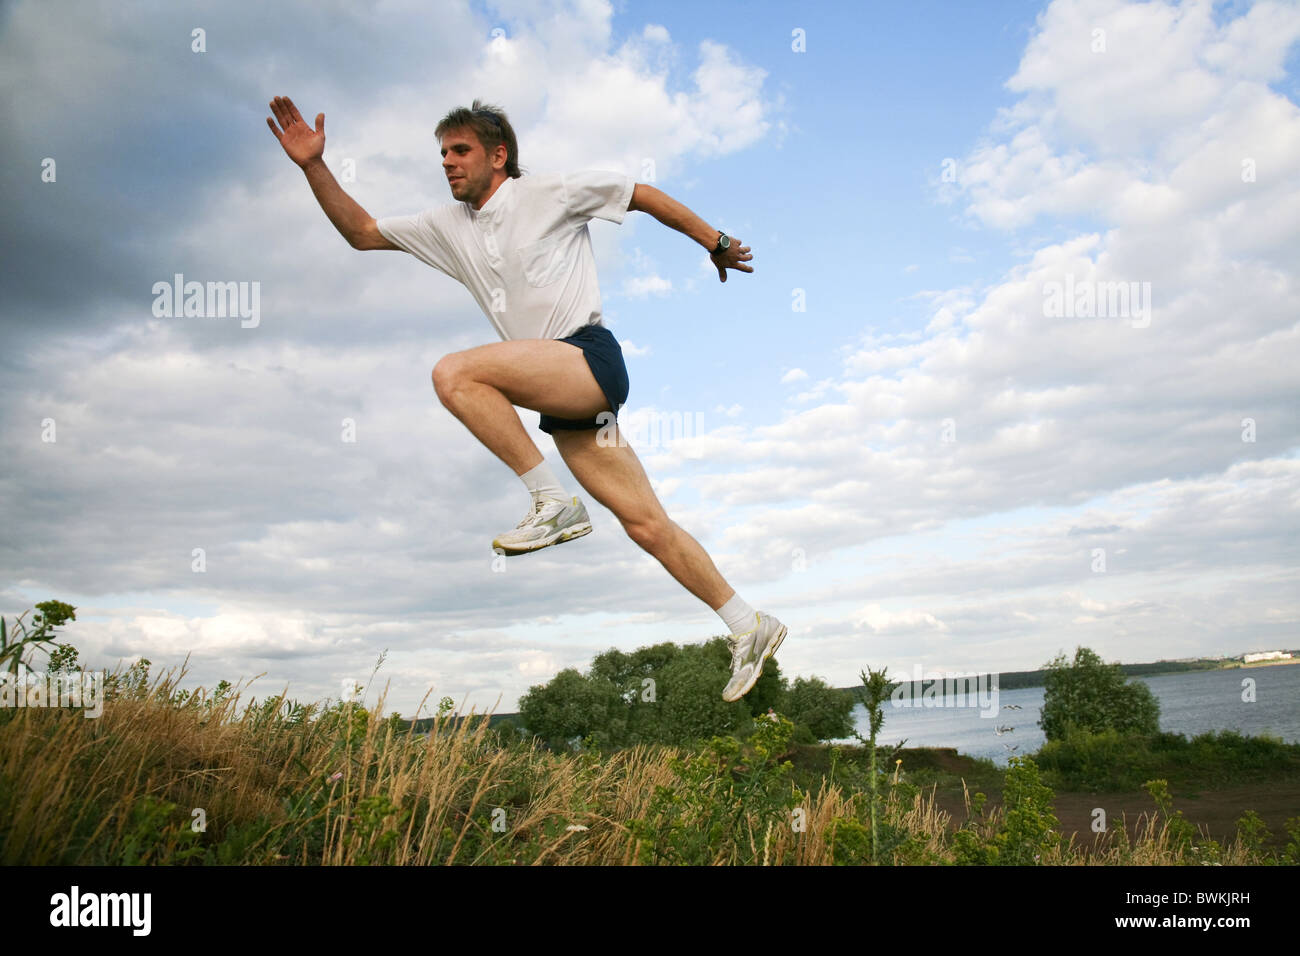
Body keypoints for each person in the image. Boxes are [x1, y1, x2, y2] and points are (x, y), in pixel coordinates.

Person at [266, 94, 786, 702]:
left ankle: (550, 501)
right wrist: (312, 166)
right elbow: (360, 232)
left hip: (587, 359)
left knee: (454, 374)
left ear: (498, 155)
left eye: (460, 151)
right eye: (442, 154)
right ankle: (748, 622)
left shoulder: (549, 193)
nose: (448, 163)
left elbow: (639, 192)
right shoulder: (445, 226)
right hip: (564, 401)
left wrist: (714, 240)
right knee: (647, 526)